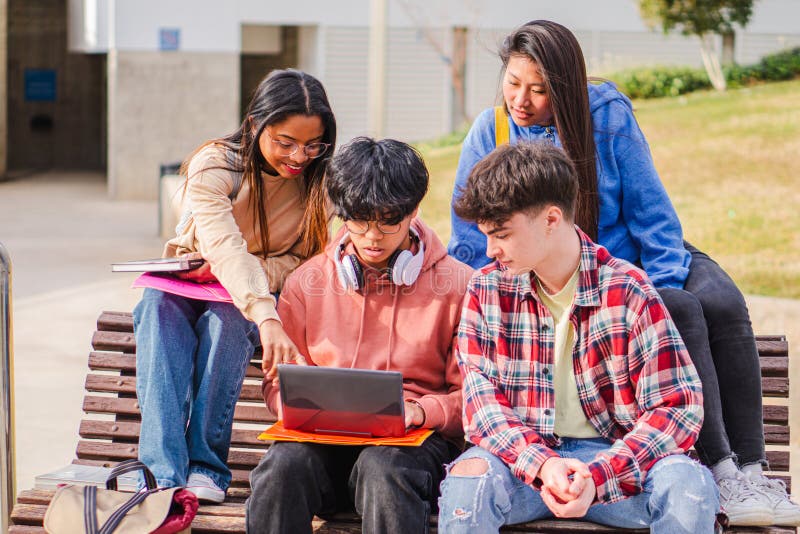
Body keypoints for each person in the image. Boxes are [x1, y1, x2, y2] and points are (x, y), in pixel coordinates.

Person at [446, 19, 800, 527]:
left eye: (539, 89)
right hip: (545, 268)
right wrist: (501, 281)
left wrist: (648, 291)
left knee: (710, 303)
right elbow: (470, 233)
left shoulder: (604, 115)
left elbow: (650, 209)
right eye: (513, 83)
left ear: (565, 87)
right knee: (679, 310)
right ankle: (723, 466)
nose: (522, 100)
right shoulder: (493, 132)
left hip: (618, 257)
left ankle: (739, 469)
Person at [438, 141, 716, 533]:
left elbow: (677, 407)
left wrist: (600, 475)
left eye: (501, 234)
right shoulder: (486, 290)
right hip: (525, 467)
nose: (490, 250)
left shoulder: (627, 290)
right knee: (469, 479)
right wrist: (544, 464)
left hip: (619, 469)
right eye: (486, 235)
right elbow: (482, 409)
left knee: (688, 485)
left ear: (551, 219)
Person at [245, 137, 473, 534]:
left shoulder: (458, 285)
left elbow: (473, 397)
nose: (372, 236)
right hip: (323, 447)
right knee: (282, 466)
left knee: (382, 468)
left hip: (410, 452)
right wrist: (288, 407)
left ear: (414, 211)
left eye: (388, 221)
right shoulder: (308, 282)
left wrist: (422, 412)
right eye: (359, 220)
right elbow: (276, 380)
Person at [133, 69, 336, 503]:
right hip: (188, 281)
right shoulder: (217, 163)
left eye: (312, 144)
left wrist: (255, 289)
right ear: (254, 126)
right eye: (285, 142)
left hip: (240, 297)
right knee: (155, 307)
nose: (300, 155)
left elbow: (306, 263)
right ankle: (160, 472)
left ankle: (207, 466)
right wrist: (264, 310)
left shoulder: (319, 182)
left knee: (228, 316)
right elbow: (223, 245)